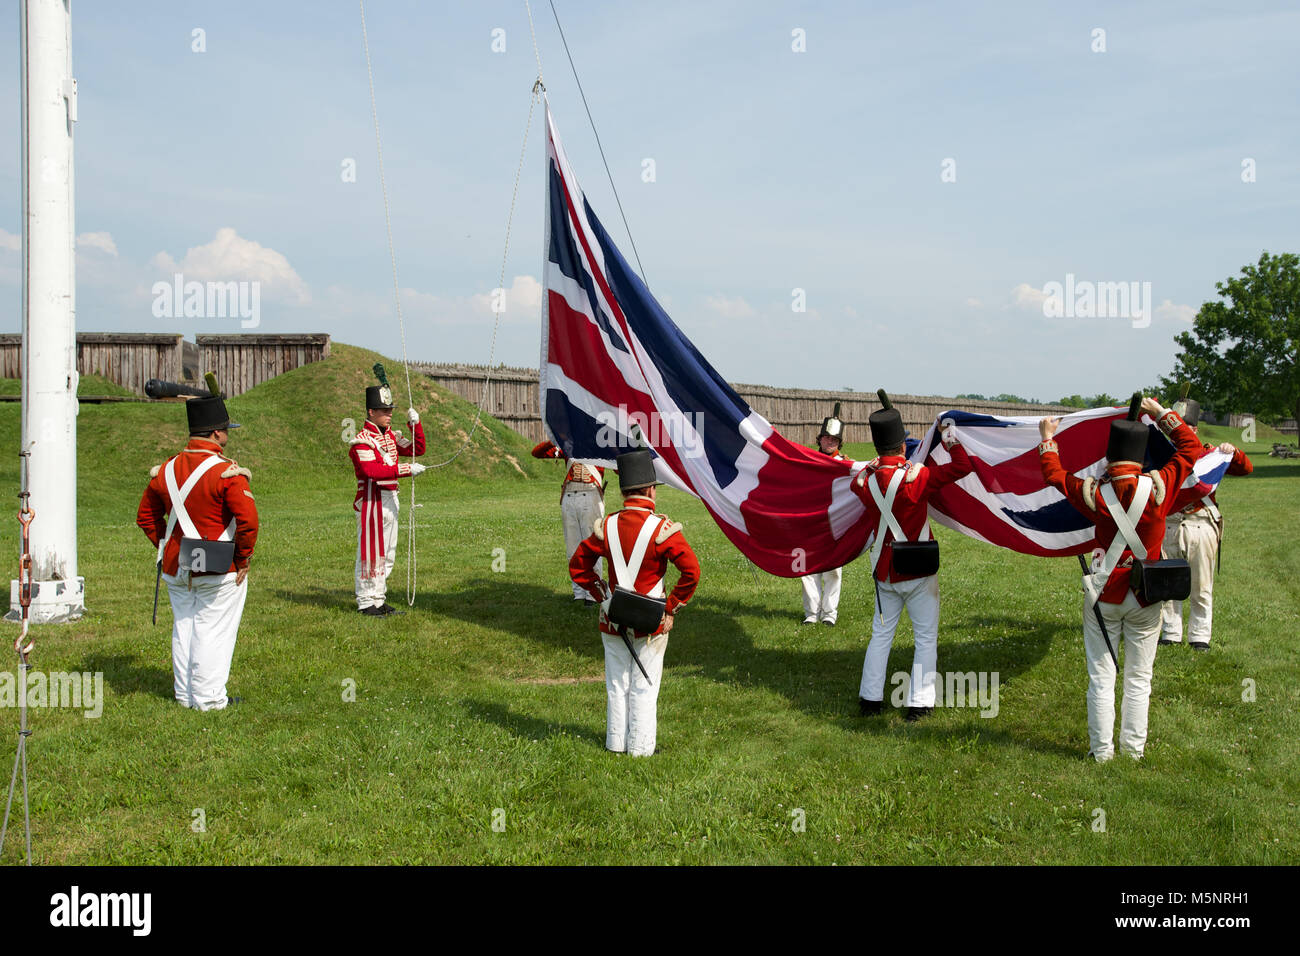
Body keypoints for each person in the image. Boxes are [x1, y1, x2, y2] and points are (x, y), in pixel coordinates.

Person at [1038, 396, 1200, 761]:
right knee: (1139, 679)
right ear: (1142, 453)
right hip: (1148, 595)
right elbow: (1190, 447)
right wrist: (1161, 414)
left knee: (1101, 678)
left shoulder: (1094, 492)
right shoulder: (1161, 486)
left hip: (1104, 593)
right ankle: (1133, 751)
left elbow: (1054, 474)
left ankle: (1102, 753)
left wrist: (1048, 439)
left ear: (1109, 455)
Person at [569, 447, 700, 756]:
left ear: (625, 490)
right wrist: (671, 607)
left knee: (616, 683)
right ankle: (640, 749)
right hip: (651, 622)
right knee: (645, 682)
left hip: (611, 617)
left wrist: (602, 595)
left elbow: (578, 566)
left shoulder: (607, 525)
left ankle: (615, 743)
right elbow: (691, 572)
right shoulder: (663, 529)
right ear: (651, 489)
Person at [136, 394, 259, 711]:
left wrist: (167, 545)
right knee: (212, 628)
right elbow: (248, 521)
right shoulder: (226, 473)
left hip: (176, 564)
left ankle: (185, 694)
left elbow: (146, 518)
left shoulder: (164, 470)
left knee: (185, 625)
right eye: (226, 430)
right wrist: (242, 558)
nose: (228, 435)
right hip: (217, 563)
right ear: (217, 433)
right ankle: (208, 698)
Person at [855, 394, 972, 720]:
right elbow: (964, 466)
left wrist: (879, 464)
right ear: (903, 445)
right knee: (924, 638)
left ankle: (870, 699)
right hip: (919, 571)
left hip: (885, 571)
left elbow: (862, 477)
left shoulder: (864, 482)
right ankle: (919, 704)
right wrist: (948, 439)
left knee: (881, 636)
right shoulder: (917, 477)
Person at [1158, 398, 1254, 650]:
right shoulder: (1161, 455)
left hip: (1201, 523)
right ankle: (1170, 631)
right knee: (1168, 583)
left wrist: (1232, 451)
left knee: (1201, 585)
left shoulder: (1209, 454)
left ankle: (1199, 635)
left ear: (1195, 430)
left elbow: (1245, 468)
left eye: (1186, 426)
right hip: (1169, 524)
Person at [350, 381, 426, 616]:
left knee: (387, 552)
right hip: (372, 501)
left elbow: (417, 449)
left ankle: (378, 598)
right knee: (370, 552)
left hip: (390, 498)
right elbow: (370, 471)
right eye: (384, 411)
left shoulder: (390, 436)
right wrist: (405, 470)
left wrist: (416, 425)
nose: (389, 414)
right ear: (371, 412)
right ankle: (365, 601)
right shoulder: (362, 440)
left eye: (391, 410)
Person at [532, 439, 607, 604]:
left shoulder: (600, 443)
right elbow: (537, 453)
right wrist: (554, 439)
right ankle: (579, 593)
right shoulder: (566, 444)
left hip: (591, 494)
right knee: (572, 549)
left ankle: (593, 593)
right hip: (570, 495)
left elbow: (618, 465)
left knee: (592, 546)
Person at [801, 405, 849, 625]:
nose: (830, 442)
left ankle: (830, 614)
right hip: (811, 523)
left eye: (834, 440)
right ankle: (811, 613)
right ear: (819, 439)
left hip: (834, 525)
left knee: (833, 572)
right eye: (826, 438)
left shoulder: (846, 466)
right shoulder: (808, 461)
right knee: (808, 571)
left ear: (839, 443)